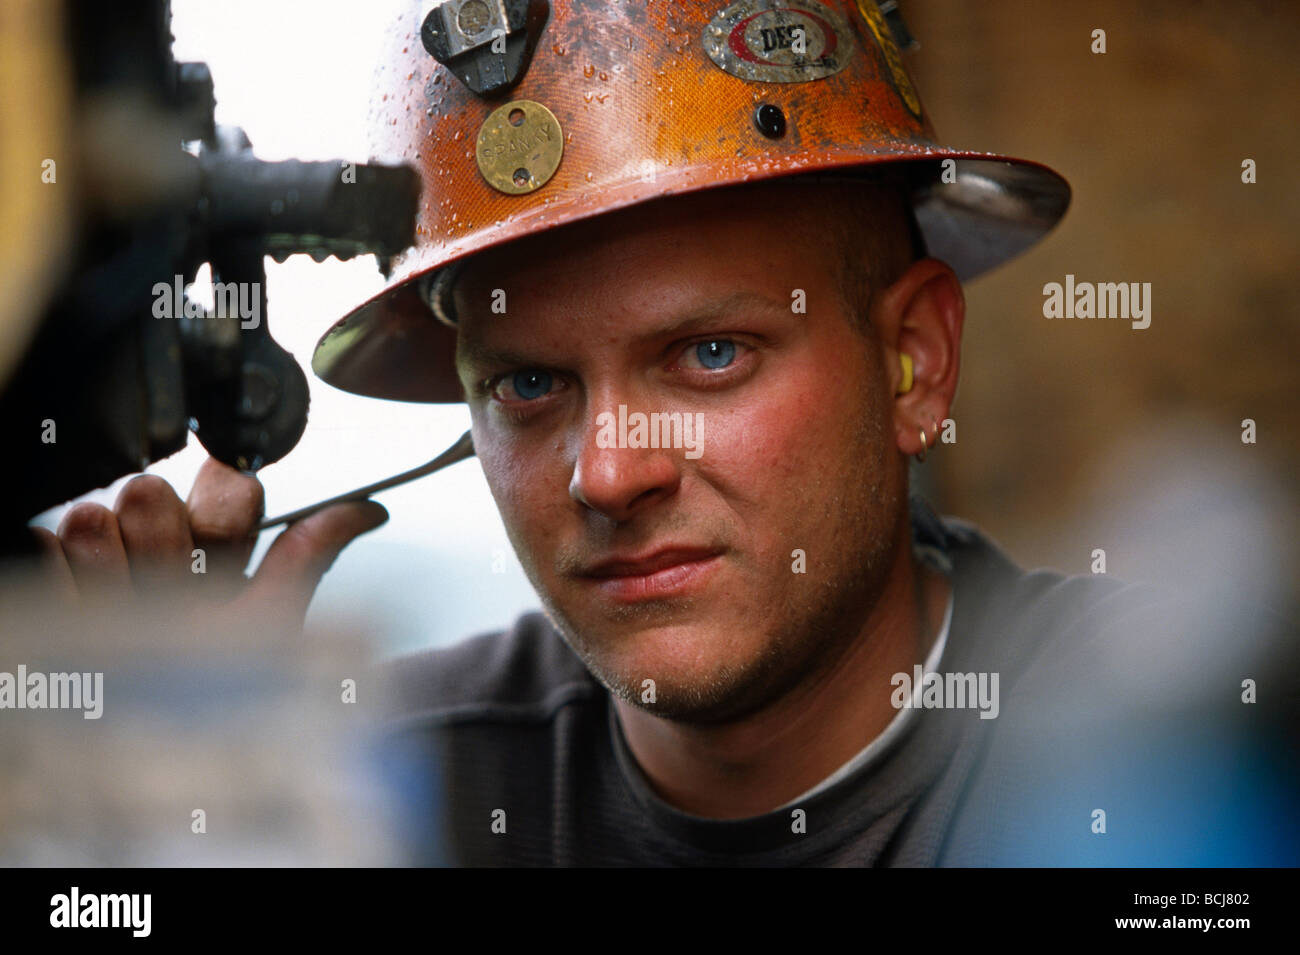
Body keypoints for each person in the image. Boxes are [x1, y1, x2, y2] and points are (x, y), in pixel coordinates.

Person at [29, 0, 1293, 866]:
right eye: (528, 387)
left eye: (708, 354)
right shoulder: (393, 793)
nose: (607, 472)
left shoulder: (1159, 756)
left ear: (916, 362)